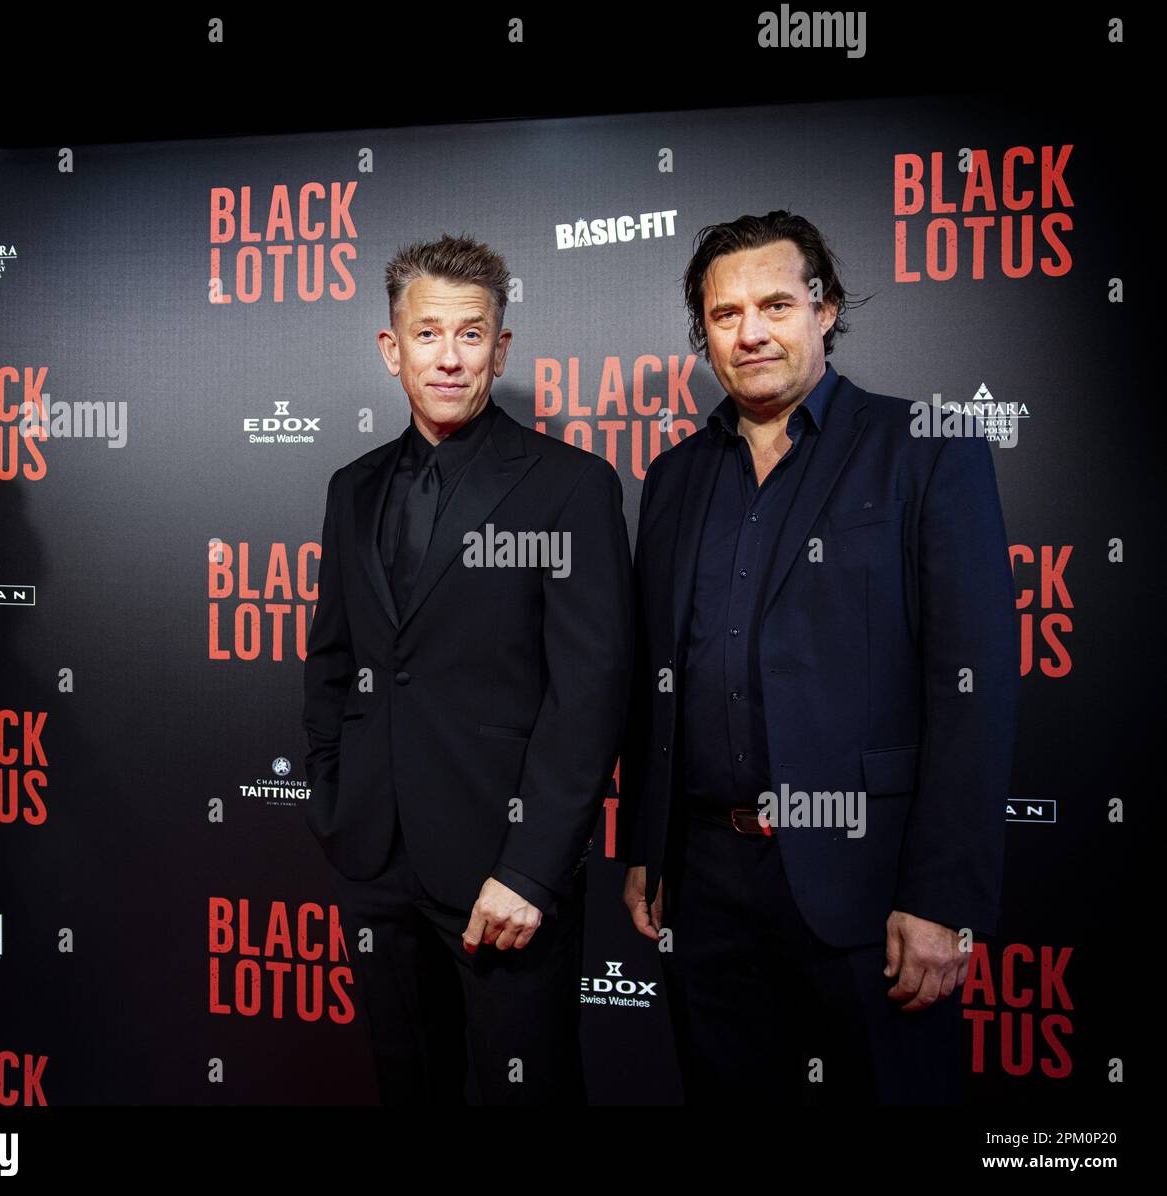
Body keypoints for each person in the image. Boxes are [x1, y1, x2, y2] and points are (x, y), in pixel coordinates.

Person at [619, 211, 1019, 1103]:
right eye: (725, 315)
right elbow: (658, 680)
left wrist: (944, 898)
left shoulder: (925, 448)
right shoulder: (675, 477)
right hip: (706, 884)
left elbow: (972, 689)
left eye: (774, 304)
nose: (751, 332)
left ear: (825, 309)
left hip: (868, 886)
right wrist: (646, 846)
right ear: (705, 333)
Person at [303, 232, 632, 1105]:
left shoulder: (571, 486)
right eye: (427, 334)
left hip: (502, 871)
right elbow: (333, 663)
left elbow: (590, 693)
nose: (448, 358)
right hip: (374, 859)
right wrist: (334, 802)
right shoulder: (352, 488)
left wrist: (531, 870)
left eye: (472, 334)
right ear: (391, 348)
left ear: (501, 347)